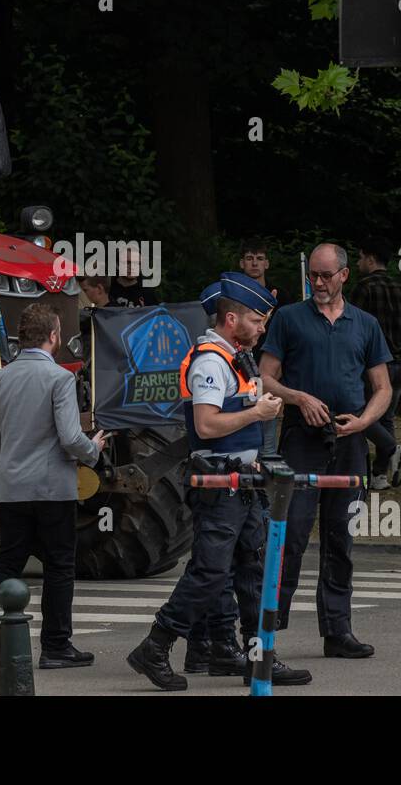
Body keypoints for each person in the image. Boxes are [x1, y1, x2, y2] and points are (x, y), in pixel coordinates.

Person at [127, 273, 311, 691]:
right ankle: (154, 647)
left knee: (251, 571)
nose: (263, 328)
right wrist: (257, 414)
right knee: (209, 573)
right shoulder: (210, 360)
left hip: (242, 482)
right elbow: (206, 425)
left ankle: (258, 656)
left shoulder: (234, 356)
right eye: (257, 320)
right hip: (219, 484)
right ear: (232, 319)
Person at [0, 304, 107, 672]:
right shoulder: (59, 379)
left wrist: (11, 467)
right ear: (53, 336)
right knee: (59, 566)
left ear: (21, 338)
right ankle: (55, 645)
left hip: (12, 488)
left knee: (8, 560)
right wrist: (92, 450)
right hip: (53, 489)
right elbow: (69, 436)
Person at [260, 243, 391, 659]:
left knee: (341, 540)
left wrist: (365, 422)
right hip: (301, 438)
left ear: (344, 276)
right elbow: (264, 379)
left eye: (325, 276)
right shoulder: (289, 318)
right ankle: (267, 633)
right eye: (312, 275)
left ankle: (338, 630)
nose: (317, 283)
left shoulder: (365, 323)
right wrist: (299, 398)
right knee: (290, 535)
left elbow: (383, 388)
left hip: (350, 440)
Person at [350, 239, 401, 490]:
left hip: (375, 364)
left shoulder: (364, 288)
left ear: (370, 258)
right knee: (386, 417)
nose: (358, 262)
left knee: (363, 415)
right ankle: (380, 475)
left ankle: (392, 448)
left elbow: (352, 325)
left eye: (360, 257)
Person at [237, 238, 282, 460]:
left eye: (260, 258)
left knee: (268, 439)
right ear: (241, 263)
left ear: (267, 264)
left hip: (270, 371)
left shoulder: (278, 298)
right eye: (249, 258)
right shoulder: (232, 296)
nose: (254, 263)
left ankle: (269, 485)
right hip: (239, 370)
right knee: (242, 427)